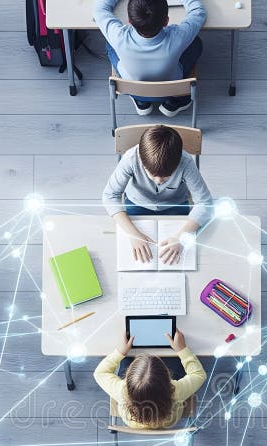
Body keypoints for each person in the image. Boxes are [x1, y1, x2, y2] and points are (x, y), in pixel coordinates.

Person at [102, 125, 212, 266]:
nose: (159, 181)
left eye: (166, 177)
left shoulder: (185, 162)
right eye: (152, 175)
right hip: (137, 203)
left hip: (175, 204)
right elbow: (110, 195)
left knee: (184, 254)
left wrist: (181, 236)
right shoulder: (131, 158)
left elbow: (205, 203)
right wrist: (133, 234)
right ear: (142, 162)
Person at [94, 0, 206, 116]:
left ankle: (141, 101)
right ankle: (176, 101)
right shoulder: (178, 36)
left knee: (110, 44)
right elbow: (198, 11)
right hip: (172, 89)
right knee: (195, 42)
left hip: (133, 88)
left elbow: (99, 9)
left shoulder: (118, 36)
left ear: (130, 21)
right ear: (166, 21)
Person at [94, 328, 206, 429]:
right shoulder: (176, 390)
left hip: (133, 423)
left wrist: (120, 352)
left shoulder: (122, 391)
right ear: (168, 375)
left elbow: (100, 373)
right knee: (176, 360)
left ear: (127, 378)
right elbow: (199, 374)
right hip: (168, 421)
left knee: (125, 359)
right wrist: (182, 349)